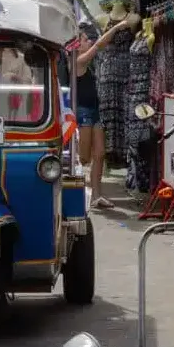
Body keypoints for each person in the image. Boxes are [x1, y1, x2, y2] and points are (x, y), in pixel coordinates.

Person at [75, 19, 132, 210]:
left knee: (99, 154)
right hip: (82, 111)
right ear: (77, 45)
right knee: (83, 158)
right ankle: (81, 194)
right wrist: (116, 28)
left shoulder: (88, 63)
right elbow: (99, 45)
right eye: (85, 40)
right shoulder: (78, 61)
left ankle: (97, 195)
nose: (89, 42)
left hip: (94, 110)